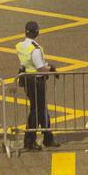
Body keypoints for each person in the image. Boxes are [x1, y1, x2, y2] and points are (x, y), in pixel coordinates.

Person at [16, 21, 59, 151]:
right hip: (36, 81)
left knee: (40, 110)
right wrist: (51, 68)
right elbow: (40, 68)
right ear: (37, 32)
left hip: (27, 79)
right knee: (37, 111)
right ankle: (31, 140)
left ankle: (47, 137)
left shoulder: (20, 45)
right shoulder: (35, 49)